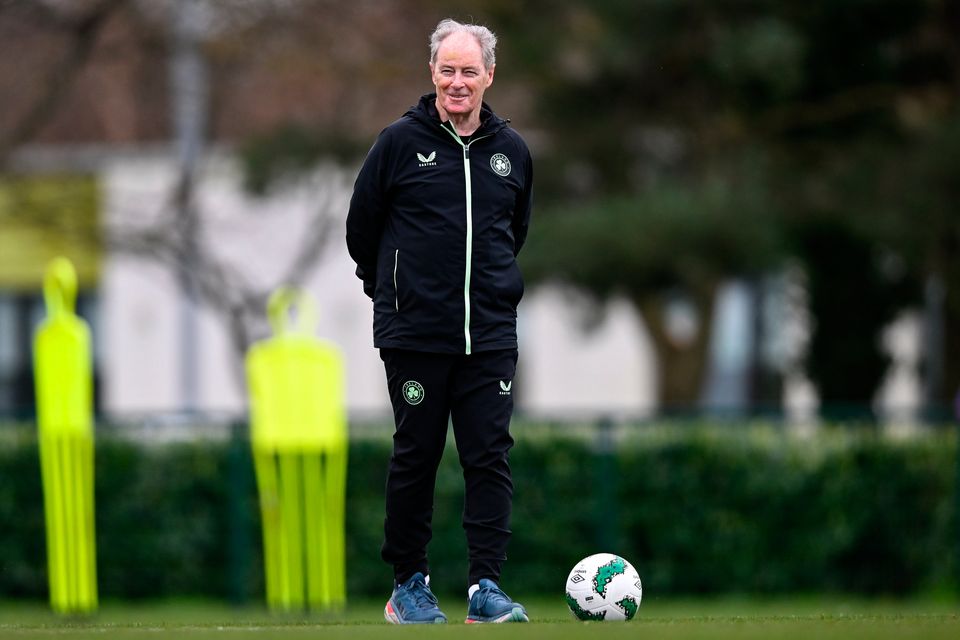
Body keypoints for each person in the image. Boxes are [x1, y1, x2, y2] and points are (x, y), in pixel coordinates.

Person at [346, 18, 533, 625]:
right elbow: (361, 231)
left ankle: (486, 588)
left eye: (469, 71)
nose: (458, 82)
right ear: (432, 74)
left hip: (491, 338)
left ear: (489, 76)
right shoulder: (398, 144)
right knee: (416, 456)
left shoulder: (513, 154)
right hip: (415, 336)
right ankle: (408, 586)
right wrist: (392, 295)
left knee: (488, 457)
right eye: (447, 70)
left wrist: (492, 296)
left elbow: (514, 235)